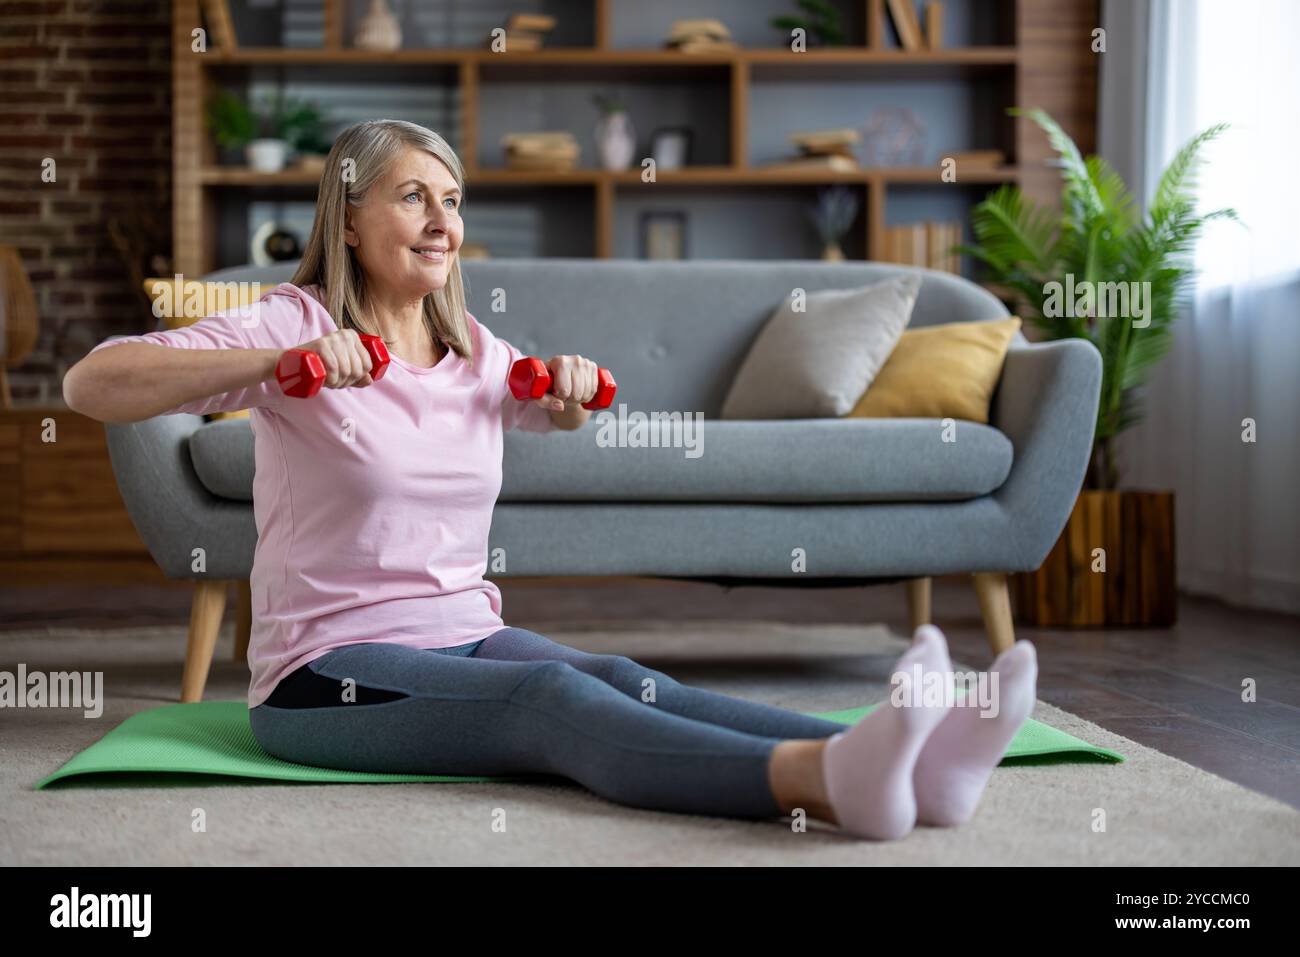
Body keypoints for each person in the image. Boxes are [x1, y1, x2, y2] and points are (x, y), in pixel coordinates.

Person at [62, 119, 1038, 841]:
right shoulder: (291, 322)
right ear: (348, 220)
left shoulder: (467, 344)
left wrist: (570, 391)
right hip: (324, 677)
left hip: (465, 632)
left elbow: (551, 406)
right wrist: (267, 368)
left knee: (618, 679)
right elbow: (94, 381)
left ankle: (920, 762)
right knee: (549, 705)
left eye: (451, 201)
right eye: (413, 198)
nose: (441, 222)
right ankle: (822, 780)